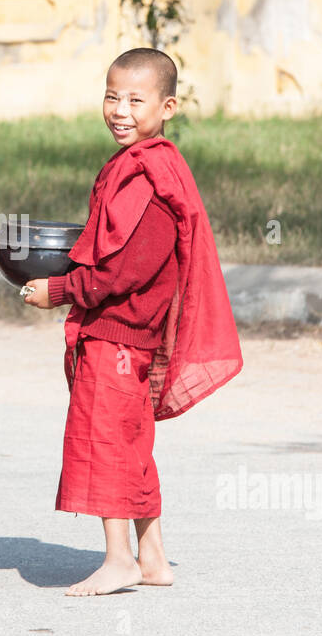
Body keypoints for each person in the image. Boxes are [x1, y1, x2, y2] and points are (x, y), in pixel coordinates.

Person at [21, 48, 243, 596]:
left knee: (105, 445)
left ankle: (117, 559)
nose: (120, 110)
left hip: (117, 333)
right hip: (134, 334)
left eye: (135, 100)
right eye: (111, 95)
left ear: (167, 106)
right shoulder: (151, 163)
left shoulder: (147, 174)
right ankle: (153, 558)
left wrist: (58, 290)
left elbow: (123, 269)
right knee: (132, 443)